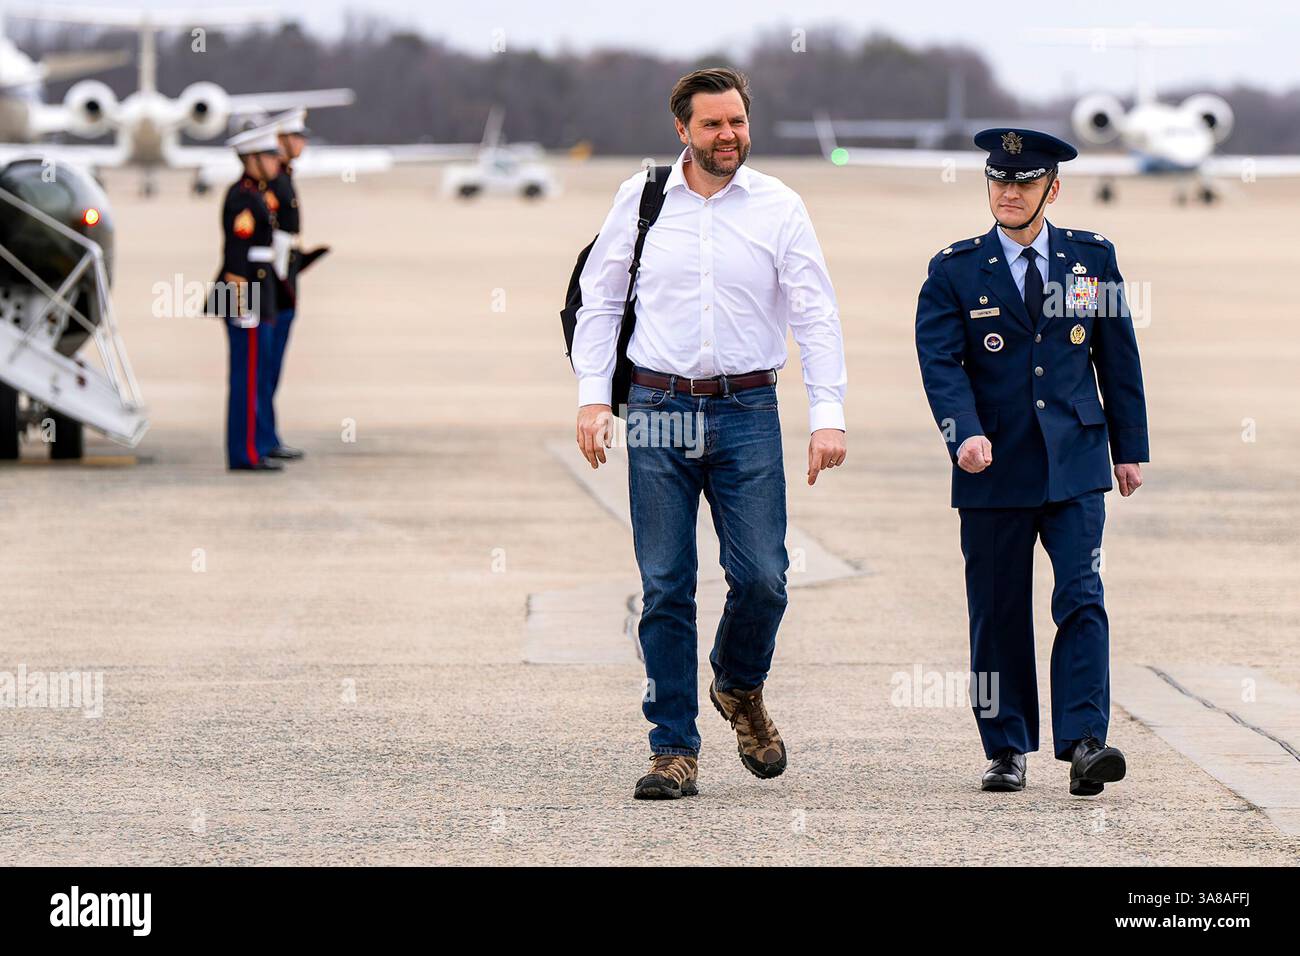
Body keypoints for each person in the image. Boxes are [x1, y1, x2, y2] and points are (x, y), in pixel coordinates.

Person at [571, 68, 848, 800]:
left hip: (747, 410)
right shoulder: (642, 199)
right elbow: (599, 301)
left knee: (763, 577)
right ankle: (673, 748)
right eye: (713, 125)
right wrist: (593, 400)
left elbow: (815, 312)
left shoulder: (779, 207)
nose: (730, 136)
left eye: (738, 122)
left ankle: (738, 683)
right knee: (666, 585)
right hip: (657, 407)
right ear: (682, 131)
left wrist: (828, 415)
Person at [914, 127, 1149, 796]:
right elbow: (941, 364)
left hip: (1076, 463)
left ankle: (1084, 744)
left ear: (1053, 188)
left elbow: (1117, 358)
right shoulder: (956, 269)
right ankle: (1005, 745)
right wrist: (962, 433)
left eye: (1022, 182)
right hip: (992, 468)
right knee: (998, 610)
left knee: (1081, 597)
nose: (1008, 192)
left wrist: (1129, 449)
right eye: (998, 180)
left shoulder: (1091, 260)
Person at [209, 122, 282, 472]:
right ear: (252, 158)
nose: (276, 161)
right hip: (244, 294)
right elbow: (238, 253)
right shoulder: (242, 196)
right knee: (246, 377)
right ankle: (244, 454)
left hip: (257, 292)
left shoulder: (255, 194)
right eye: (270, 155)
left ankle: (252, 448)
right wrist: (240, 303)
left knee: (254, 374)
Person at [257, 107, 311, 461]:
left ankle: (267, 436)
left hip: (284, 278)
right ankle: (261, 439)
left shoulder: (284, 176)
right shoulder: (271, 183)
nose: (302, 143)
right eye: (297, 137)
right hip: (272, 286)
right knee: (262, 367)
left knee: (270, 368)